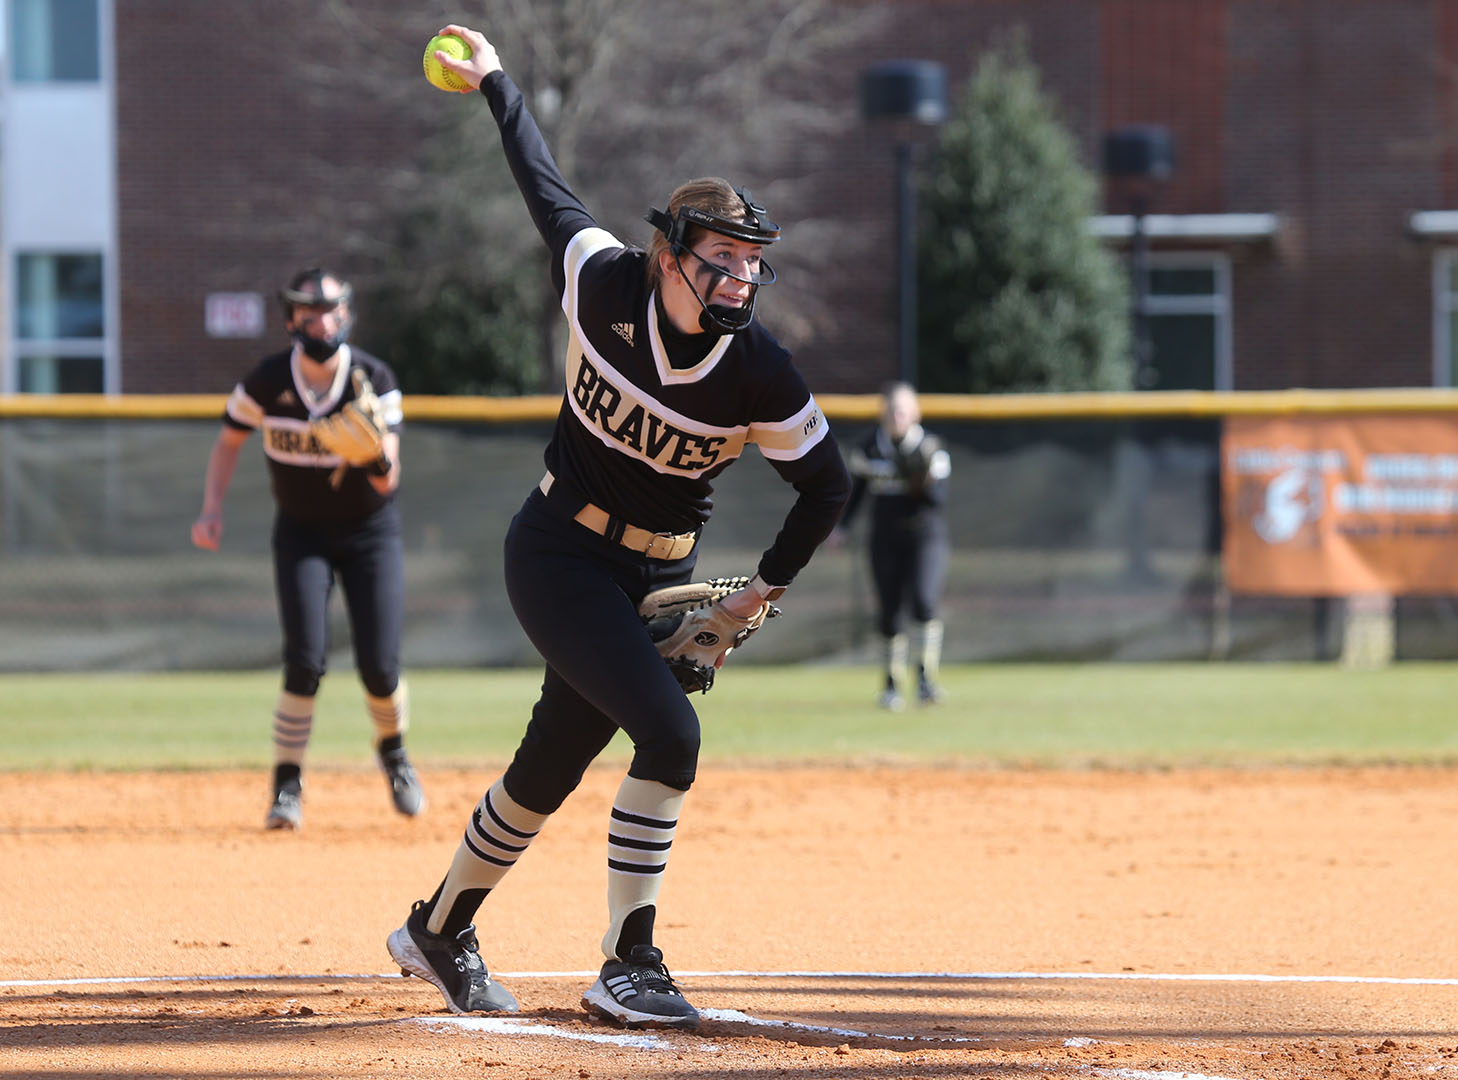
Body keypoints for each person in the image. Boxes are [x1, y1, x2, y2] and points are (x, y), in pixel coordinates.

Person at [385, 25, 851, 1031]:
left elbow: (828, 488)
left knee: (550, 765)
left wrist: (761, 590)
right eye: (719, 258)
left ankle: (438, 929)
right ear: (667, 254)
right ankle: (628, 962)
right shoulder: (601, 282)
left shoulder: (758, 370)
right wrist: (500, 82)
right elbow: (544, 185)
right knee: (670, 734)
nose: (738, 278)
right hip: (557, 553)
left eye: (750, 263)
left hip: (655, 581)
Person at [191, 268, 423, 830]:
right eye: (309, 312)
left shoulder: (372, 376)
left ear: (347, 314)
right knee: (304, 660)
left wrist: (373, 456)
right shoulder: (269, 381)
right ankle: (286, 786)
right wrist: (211, 507)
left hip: (370, 534)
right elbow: (227, 441)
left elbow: (388, 482)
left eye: (332, 310)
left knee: (379, 664)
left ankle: (394, 755)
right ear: (291, 318)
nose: (322, 321)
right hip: (301, 534)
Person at [835, 381, 952, 709]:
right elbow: (856, 493)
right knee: (889, 612)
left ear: (915, 413)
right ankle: (891, 683)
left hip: (925, 537)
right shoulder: (870, 448)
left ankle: (926, 679)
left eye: (902, 409)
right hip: (884, 537)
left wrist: (920, 480)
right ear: (882, 413)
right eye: (891, 409)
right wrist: (841, 528)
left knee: (924, 602)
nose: (896, 415)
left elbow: (938, 500)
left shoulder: (930, 449)